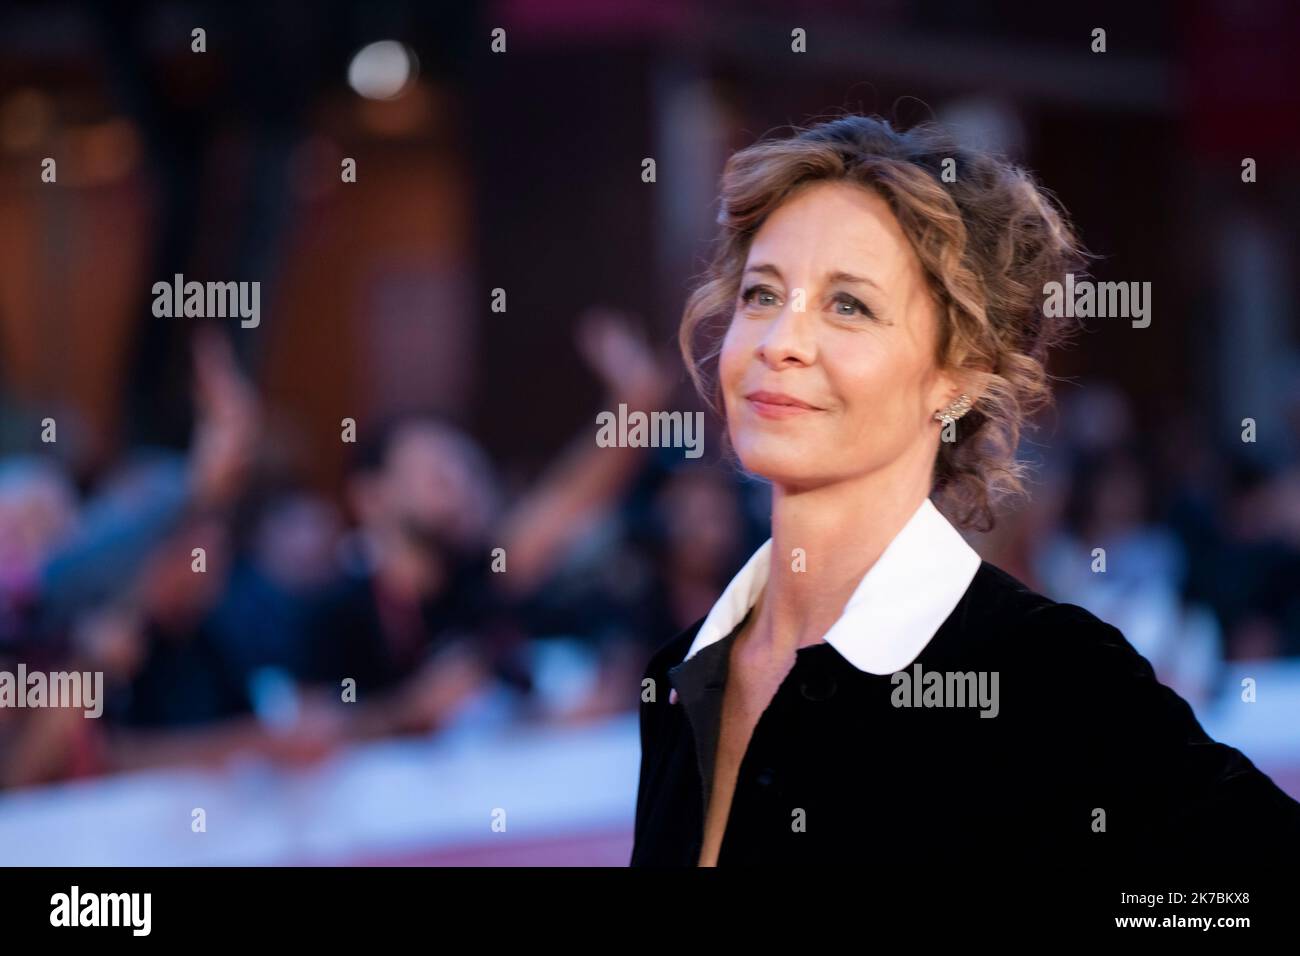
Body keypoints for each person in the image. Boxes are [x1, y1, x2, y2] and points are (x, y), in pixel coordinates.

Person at [629, 114, 1300, 869]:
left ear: (956, 378)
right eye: (761, 293)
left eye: (849, 305)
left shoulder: (1051, 674)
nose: (780, 339)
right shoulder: (682, 674)